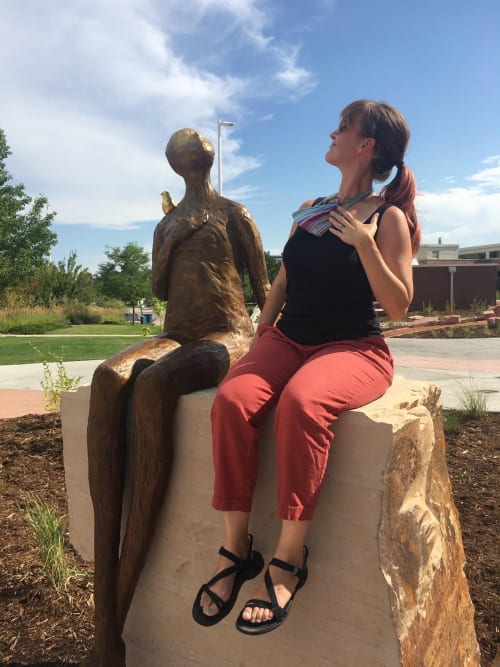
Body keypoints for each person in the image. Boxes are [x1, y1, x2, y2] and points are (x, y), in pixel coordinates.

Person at [192, 99, 421, 635]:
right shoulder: (310, 208)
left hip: (353, 348)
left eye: (343, 127)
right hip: (287, 339)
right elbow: (282, 281)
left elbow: (398, 306)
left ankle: (290, 557)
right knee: (231, 400)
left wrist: (365, 247)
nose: (333, 132)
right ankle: (235, 550)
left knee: (301, 403)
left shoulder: (387, 218)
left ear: (366, 146)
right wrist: (259, 339)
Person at [82, 128, 270, 666]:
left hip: (226, 335)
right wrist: (170, 237)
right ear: (176, 165)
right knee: (107, 378)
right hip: (178, 332)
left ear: (204, 162)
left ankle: (108, 633)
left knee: (154, 385)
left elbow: (263, 291)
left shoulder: (235, 213)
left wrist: (269, 348)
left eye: (195, 154)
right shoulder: (168, 221)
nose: (191, 159)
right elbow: (161, 289)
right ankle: (106, 616)